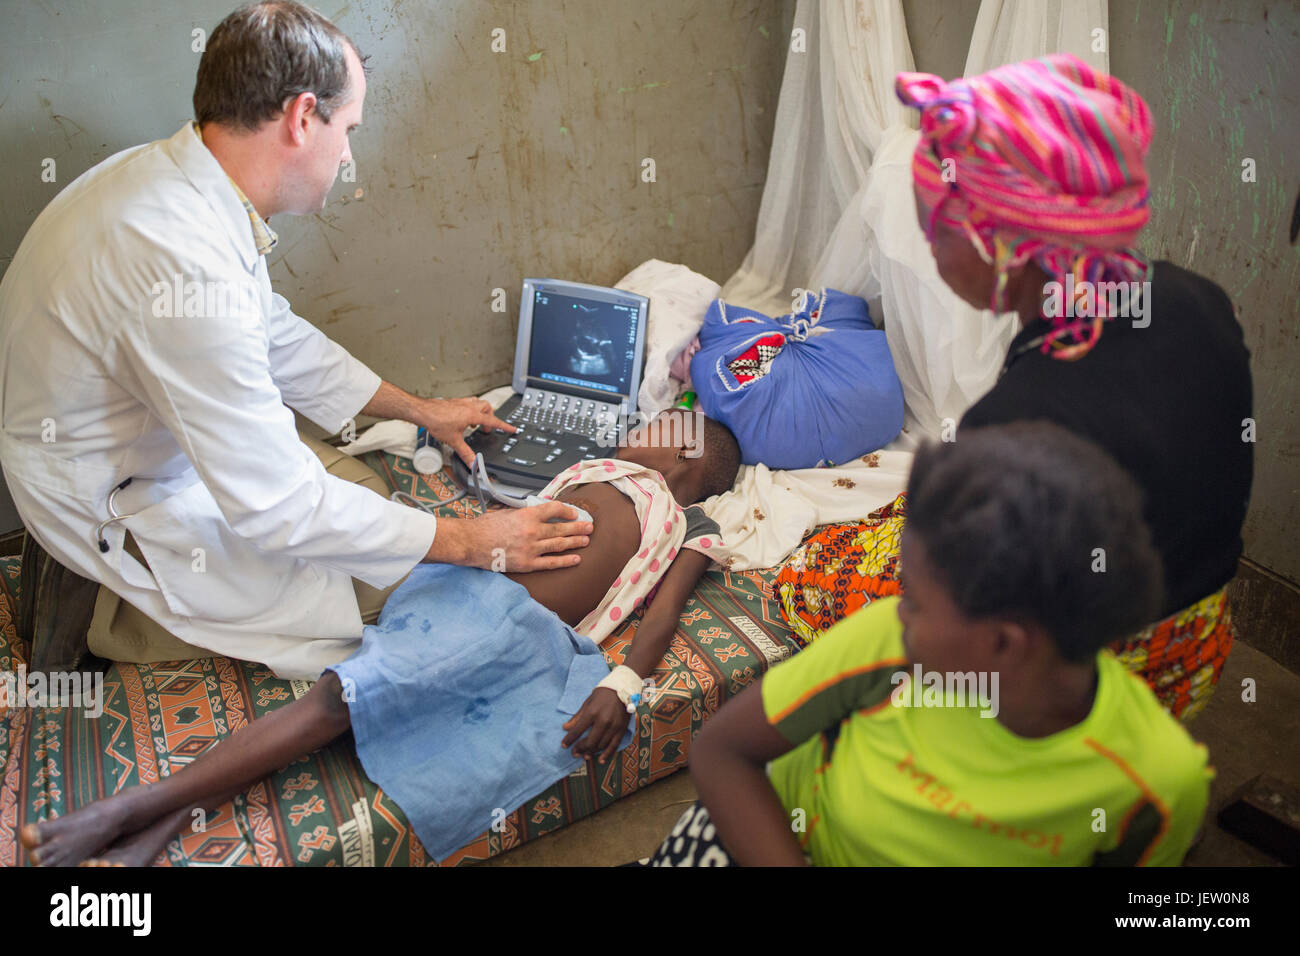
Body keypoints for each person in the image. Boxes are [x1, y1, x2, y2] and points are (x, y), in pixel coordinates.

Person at [0, 2, 591, 682]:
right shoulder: (177, 256)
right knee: (378, 590)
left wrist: (421, 410)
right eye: (348, 129)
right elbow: (279, 507)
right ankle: (118, 618)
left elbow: (271, 332)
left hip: (114, 442)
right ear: (303, 116)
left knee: (366, 502)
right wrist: (469, 540)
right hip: (103, 495)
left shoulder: (173, 181)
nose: (348, 154)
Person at [20, 410, 742, 867]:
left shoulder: (691, 524)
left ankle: (126, 811)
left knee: (338, 704)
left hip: (508, 623)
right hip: (461, 591)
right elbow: (518, 521)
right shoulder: (596, 470)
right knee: (349, 696)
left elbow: (663, 614)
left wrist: (622, 685)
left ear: (684, 459)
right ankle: (158, 822)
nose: (644, 423)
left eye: (663, 424)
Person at [782, 54, 1251, 720]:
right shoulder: (1198, 300)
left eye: (935, 229)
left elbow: (994, 630)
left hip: (1089, 685)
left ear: (998, 240)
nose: (927, 250)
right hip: (1198, 648)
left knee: (814, 574)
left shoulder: (1016, 422)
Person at [646, 422, 1211, 866]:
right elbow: (723, 753)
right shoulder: (884, 645)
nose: (894, 607)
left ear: (1003, 643)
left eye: (914, 596)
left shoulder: (1156, 783)